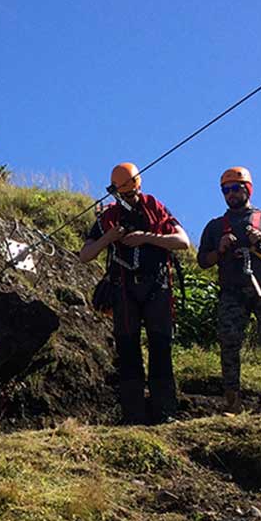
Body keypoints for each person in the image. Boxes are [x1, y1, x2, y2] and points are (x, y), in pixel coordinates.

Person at [79, 163, 191, 424]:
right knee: (128, 349)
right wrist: (110, 236)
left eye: (133, 193)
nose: (130, 199)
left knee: (160, 346)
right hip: (124, 288)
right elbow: (85, 255)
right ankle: (133, 415)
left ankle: (165, 412)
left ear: (139, 186)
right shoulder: (106, 216)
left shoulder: (156, 208)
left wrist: (147, 237)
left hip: (157, 286)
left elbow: (183, 241)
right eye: (124, 195)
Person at [196, 166, 261, 413]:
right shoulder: (215, 226)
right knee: (229, 342)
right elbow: (202, 261)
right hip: (232, 291)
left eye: (235, 188)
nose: (231, 194)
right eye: (226, 190)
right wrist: (219, 250)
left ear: (247, 189)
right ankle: (232, 398)